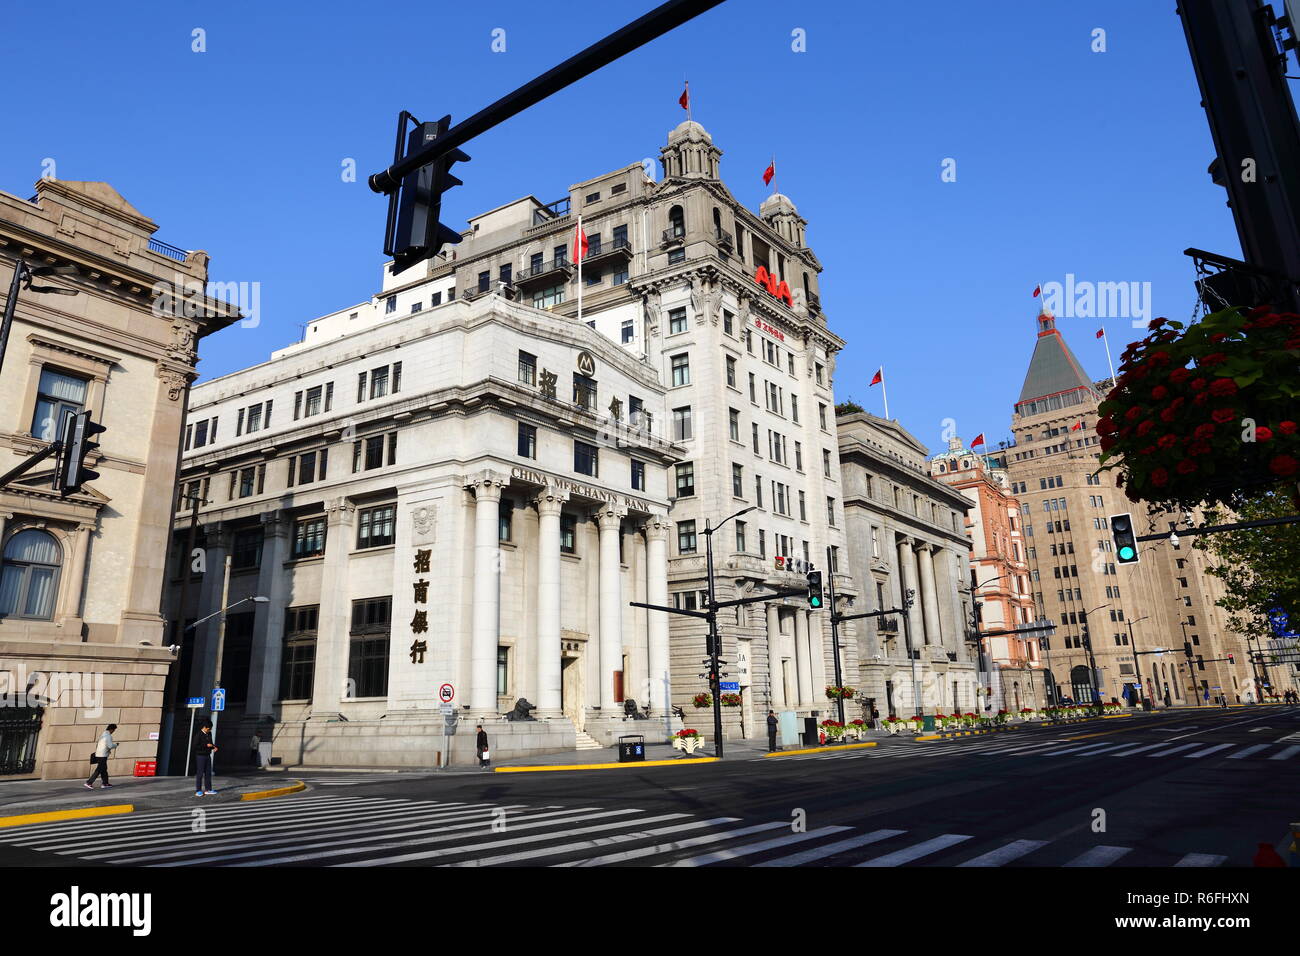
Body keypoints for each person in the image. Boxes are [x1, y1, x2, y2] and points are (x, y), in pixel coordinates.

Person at [84, 723, 118, 789]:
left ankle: (105, 783)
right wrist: (116, 745)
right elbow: (110, 746)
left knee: (104, 769)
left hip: (99, 754)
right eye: (114, 730)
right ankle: (89, 782)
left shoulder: (103, 734)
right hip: (103, 755)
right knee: (99, 770)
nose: (113, 732)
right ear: (111, 729)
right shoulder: (108, 736)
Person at [193, 720, 218, 796]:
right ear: (204, 727)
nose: (209, 730)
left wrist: (213, 747)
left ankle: (208, 789)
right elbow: (195, 746)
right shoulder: (198, 735)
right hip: (200, 756)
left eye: (210, 729)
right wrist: (206, 746)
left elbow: (210, 743)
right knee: (200, 773)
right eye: (208, 729)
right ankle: (198, 790)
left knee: (208, 773)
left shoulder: (209, 734)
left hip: (207, 755)